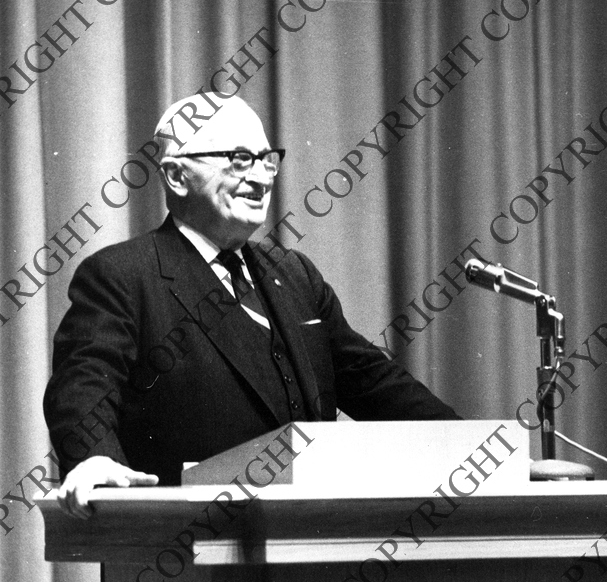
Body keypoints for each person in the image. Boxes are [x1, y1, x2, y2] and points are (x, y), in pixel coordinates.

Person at [44, 93, 460, 519]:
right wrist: (94, 458)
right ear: (176, 176)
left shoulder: (295, 273)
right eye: (240, 159)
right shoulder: (122, 275)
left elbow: (373, 382)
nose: (262, 178)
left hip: (308, 537)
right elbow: (83, 385)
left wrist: (474, 448)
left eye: (267, 160)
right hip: (185, 541)